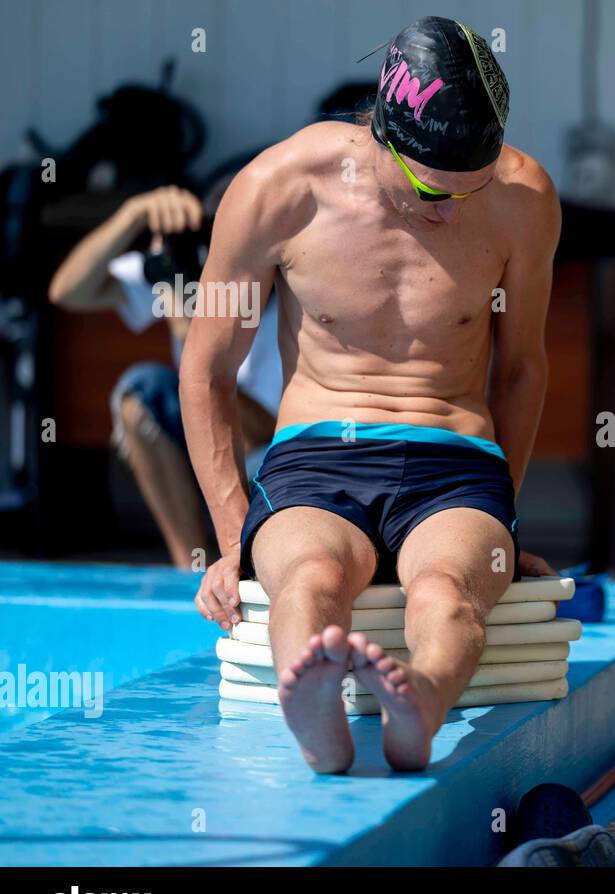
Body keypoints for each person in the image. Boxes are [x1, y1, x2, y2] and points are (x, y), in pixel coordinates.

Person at [181, 17, 560, 774]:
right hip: (316, 461)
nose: (450, 213)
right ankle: (315, 715)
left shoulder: (523, 197)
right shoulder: (275, 189)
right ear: (383, 135)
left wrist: (501, 523)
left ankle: (420, 699)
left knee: (448, 596)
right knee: (311, 581)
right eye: (431, 190)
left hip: (454, 464)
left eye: (469, 190)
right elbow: (206, 371)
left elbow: (521, 369)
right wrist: (233, 544)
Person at [47, 182, 281, 569]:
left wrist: (184, 319)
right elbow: (68, 291)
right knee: (141, 393)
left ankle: (233, 564)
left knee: (196, 392)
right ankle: (191, 569)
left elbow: (263, 428)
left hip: (283, 463)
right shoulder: (190, 267)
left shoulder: (297, 275)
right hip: (211, 463)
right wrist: (133, 213)